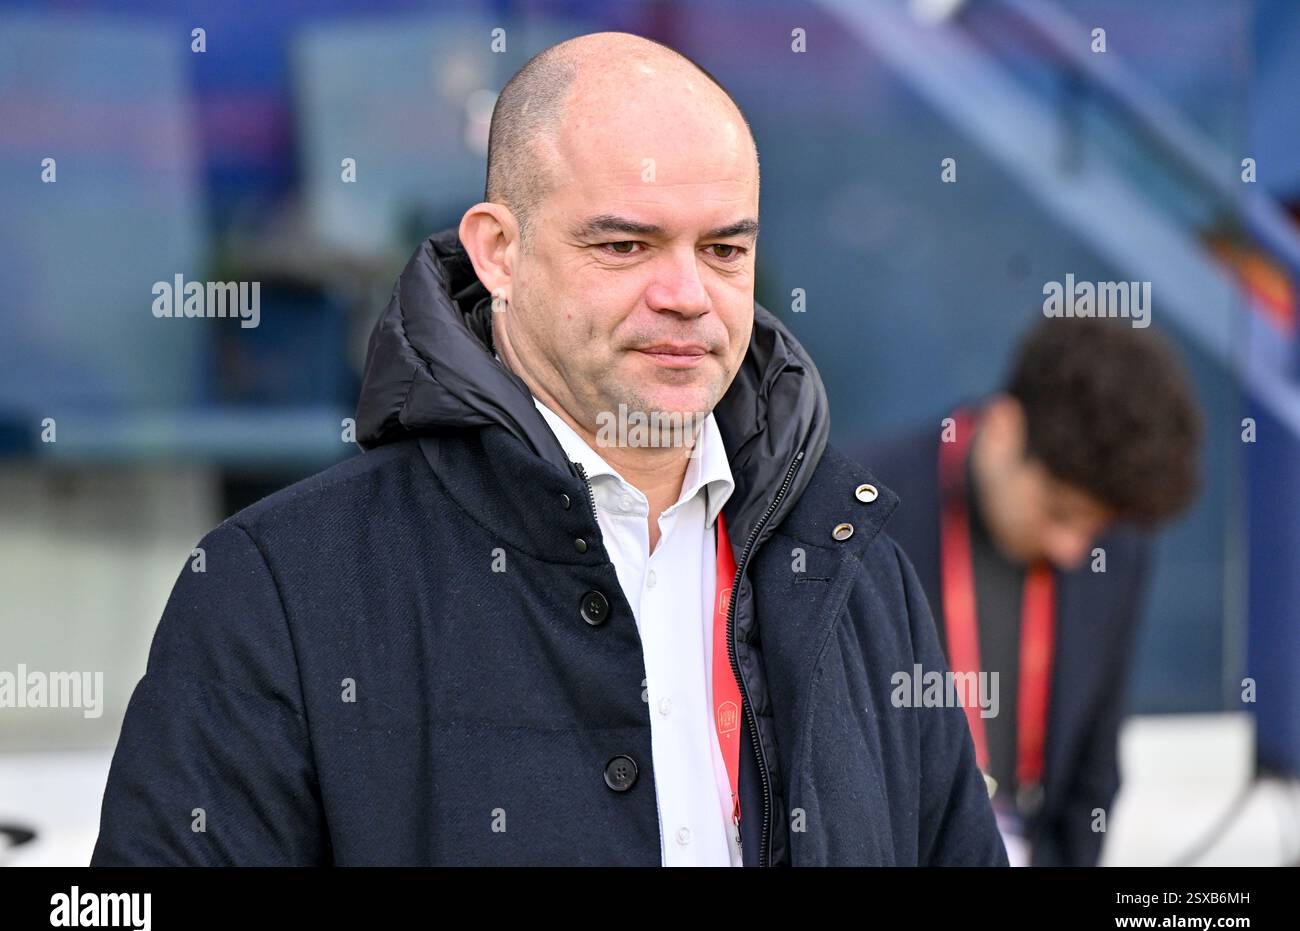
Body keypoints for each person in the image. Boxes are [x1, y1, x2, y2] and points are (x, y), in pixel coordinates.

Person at [91, 31, 1006, 866]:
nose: (687, 294)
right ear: (497, 252)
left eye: (725, 250)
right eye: (626, 244)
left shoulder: (858, 566)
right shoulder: (279, 590)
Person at [855, 316, 1202, 866]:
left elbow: (1094, 768)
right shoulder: (860, 511)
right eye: (1059, 512)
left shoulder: (1117, 550)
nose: (1071, 548)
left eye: (1093, 528)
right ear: (1003, 430)